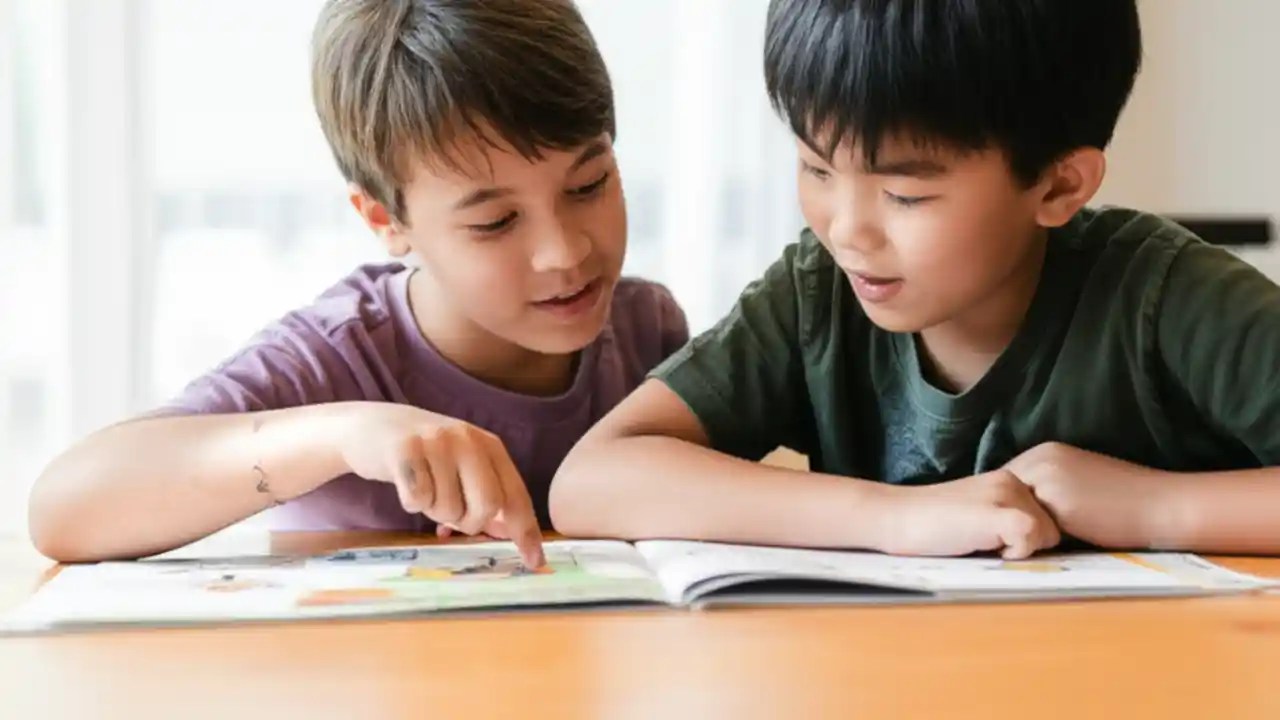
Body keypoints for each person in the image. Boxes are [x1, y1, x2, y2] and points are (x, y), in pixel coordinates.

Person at [551, 0, 1280, 559]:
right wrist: (896, 518)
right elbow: (592, 482)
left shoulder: (1169, 299)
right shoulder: (817, 297)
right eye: (816, 169)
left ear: (1059, 186)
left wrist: (1155, 510)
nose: (846, 229)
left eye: (905, 195)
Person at [30, 0, 687, 567]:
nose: (563, 251)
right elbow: (66, 507)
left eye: (589, 184)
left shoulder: (646, 332)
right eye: (495, 221)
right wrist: (344, 435)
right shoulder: (338, 355)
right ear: (385, 218)